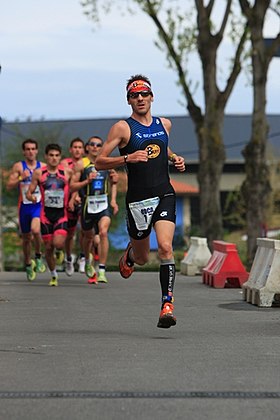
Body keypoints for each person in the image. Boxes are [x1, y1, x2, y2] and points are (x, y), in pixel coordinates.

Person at [95, 74, 185, 328]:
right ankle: (131, 255)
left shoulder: (164, 124)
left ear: (152, 96)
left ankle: (167, 304)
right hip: (138, 200)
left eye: (144, 93)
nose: (140, 98)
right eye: (134, 95)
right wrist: (127, 158)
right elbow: (99, 161)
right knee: (144, 257)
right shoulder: (122, 128)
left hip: (164, 193)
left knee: (166, 248)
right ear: (129, 101)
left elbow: (161, 147)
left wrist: (174, 158)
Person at [70, 136, 119, 284]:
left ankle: (102, 270)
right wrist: (86, 181)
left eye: (99, 145)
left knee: (103, 233)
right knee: (88, 237)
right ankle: (87, 258)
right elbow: (72, 186)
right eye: (92, 144)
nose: (95, 147)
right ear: (87, 147)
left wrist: (113, 200)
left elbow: (114, 181)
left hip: (103, 204)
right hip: (87, 205)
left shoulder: (106, 162)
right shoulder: (81, 164)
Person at [26, 144, 72, 286]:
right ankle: (53, 275)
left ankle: (60, 251)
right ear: (46, 157)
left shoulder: (67, 173)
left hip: (61, 214)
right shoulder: (39, 173)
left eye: (57, 155)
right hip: (45, 215)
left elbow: (74, 188)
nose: (54, 158)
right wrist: (31, 196)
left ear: (60, 157)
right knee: (48, 248)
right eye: (51, 155)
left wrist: (74, 198)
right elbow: (29, 191)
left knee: (58, 243)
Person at [6, 139, 46, 281]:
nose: (30, 151)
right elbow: (8, 185)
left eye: (33, 149)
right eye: (28, 149)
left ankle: (39, 255)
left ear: (37, 151)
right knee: (26, 238)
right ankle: (28, 263)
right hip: (24, 206)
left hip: (38, 205)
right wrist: (20, 178)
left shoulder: (43, 167)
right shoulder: (19, 166)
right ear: (24, 152)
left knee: (36, 231)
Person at [61, 137, 85, 276]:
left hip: (83, 200)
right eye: (75, 147)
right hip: (68, 200)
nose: (77, 150)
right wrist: (71, 197)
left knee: (84, 230)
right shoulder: (65, 163)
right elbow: (66, 183)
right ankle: (69, 258)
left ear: (83, 149)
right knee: (70, 233)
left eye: (79, 147)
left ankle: (83, 257)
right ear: (70, 150)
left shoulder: (86, 163)